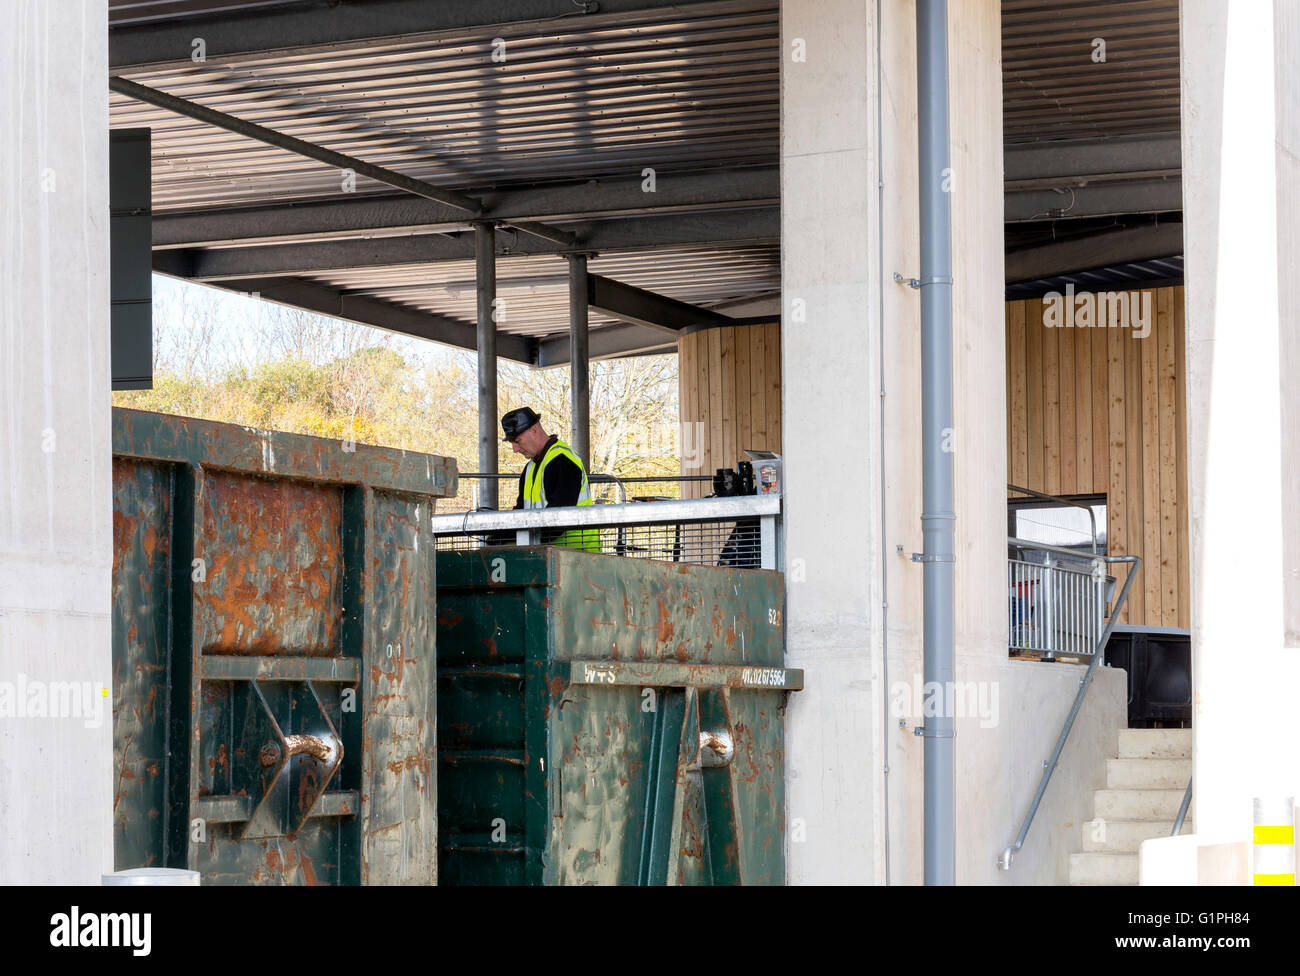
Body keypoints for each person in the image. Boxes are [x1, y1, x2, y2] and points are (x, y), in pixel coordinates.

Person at [501, 407, 599, 551]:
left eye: (517, 441)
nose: (515, 449)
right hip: (551, 555)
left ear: (534, 430)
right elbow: (520, 512)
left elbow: (558, 520)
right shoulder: (530, 468)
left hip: (577, 556)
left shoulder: (562, 461)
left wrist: (505, 537)